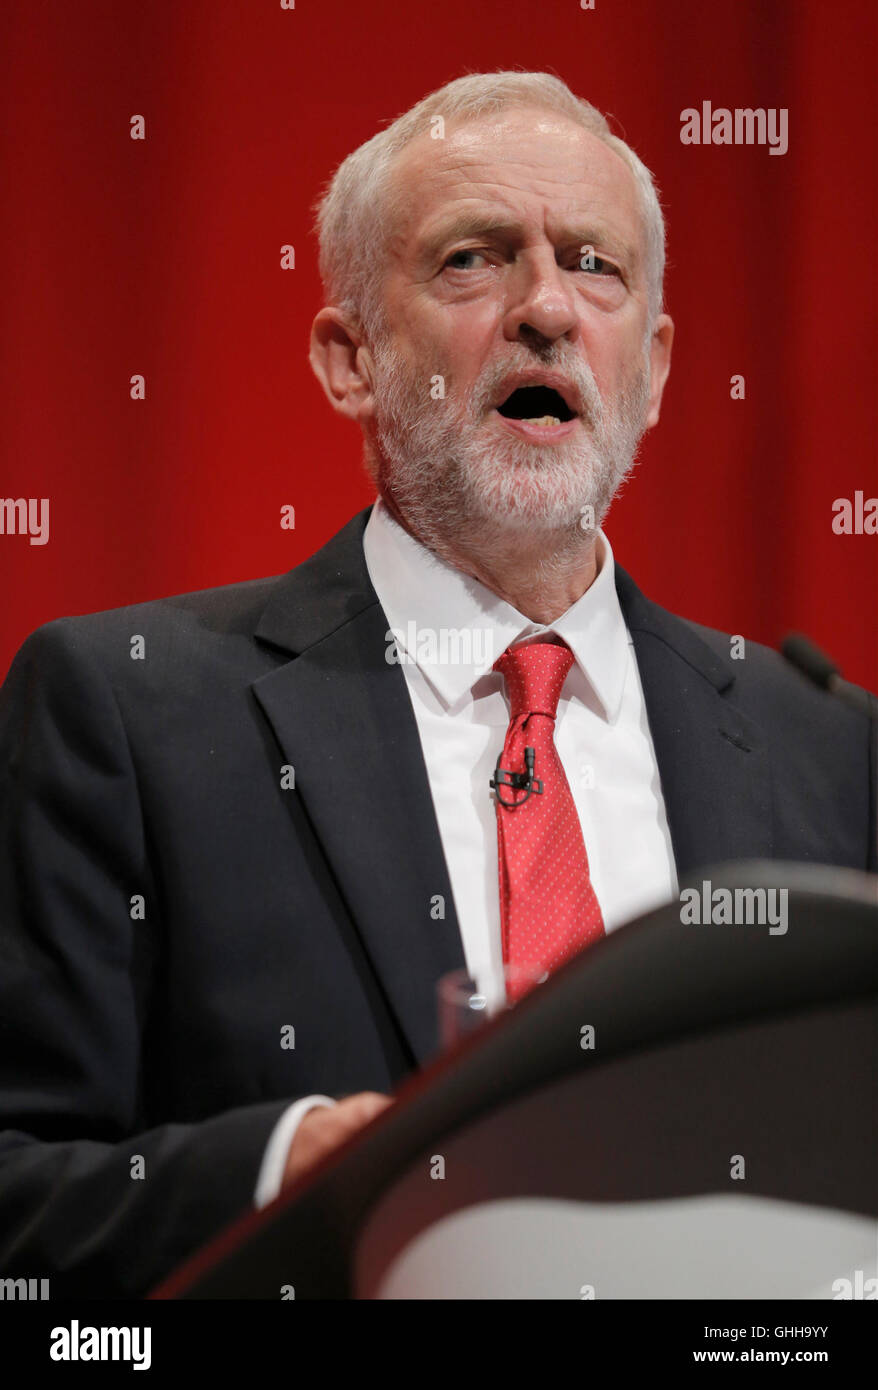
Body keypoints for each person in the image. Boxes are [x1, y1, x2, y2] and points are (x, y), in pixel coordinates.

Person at [0, 71, 872, 1298]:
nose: (546, 309)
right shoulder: (127, 714)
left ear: (655, 369)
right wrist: (286, 1165)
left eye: (593, 265)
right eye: (472, 259)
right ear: (349, 358)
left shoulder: (826, 747)